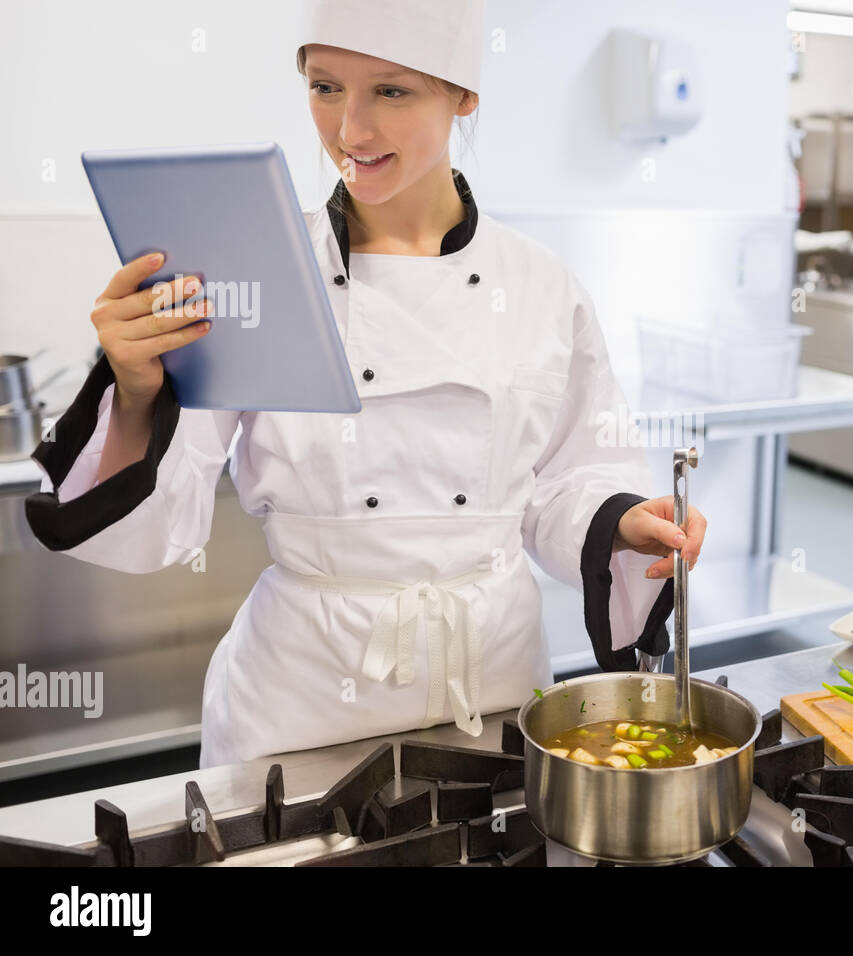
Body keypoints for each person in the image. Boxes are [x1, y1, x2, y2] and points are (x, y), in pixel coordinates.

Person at [25, 0, 706, 767]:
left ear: (464, 94)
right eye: (324, 87)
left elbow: (563, 483)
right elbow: (165, 520)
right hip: (299, 699)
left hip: (490, 692)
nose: (350, 132)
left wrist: (620, 520)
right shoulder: (258, 273)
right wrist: (137, 385)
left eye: (391, 91)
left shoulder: (543, 287)